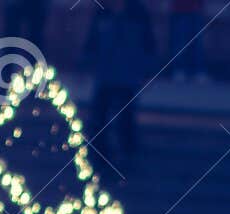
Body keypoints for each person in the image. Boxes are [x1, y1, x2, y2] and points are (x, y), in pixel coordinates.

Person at [85, 0, 157, 171]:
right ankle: (100, 160)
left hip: (126, 75)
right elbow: (92, 41)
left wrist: (147, 70)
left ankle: (128, 157)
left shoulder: (138, 13)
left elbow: (148, 44)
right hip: (106, 74)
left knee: (125, 119)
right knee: (99, 119)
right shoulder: (103, 12)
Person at [168, 0, 208, 81]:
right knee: (180, 42)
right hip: (180, 9)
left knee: (196, 44)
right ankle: (180, 70)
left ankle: (196, 70)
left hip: (194, 9)